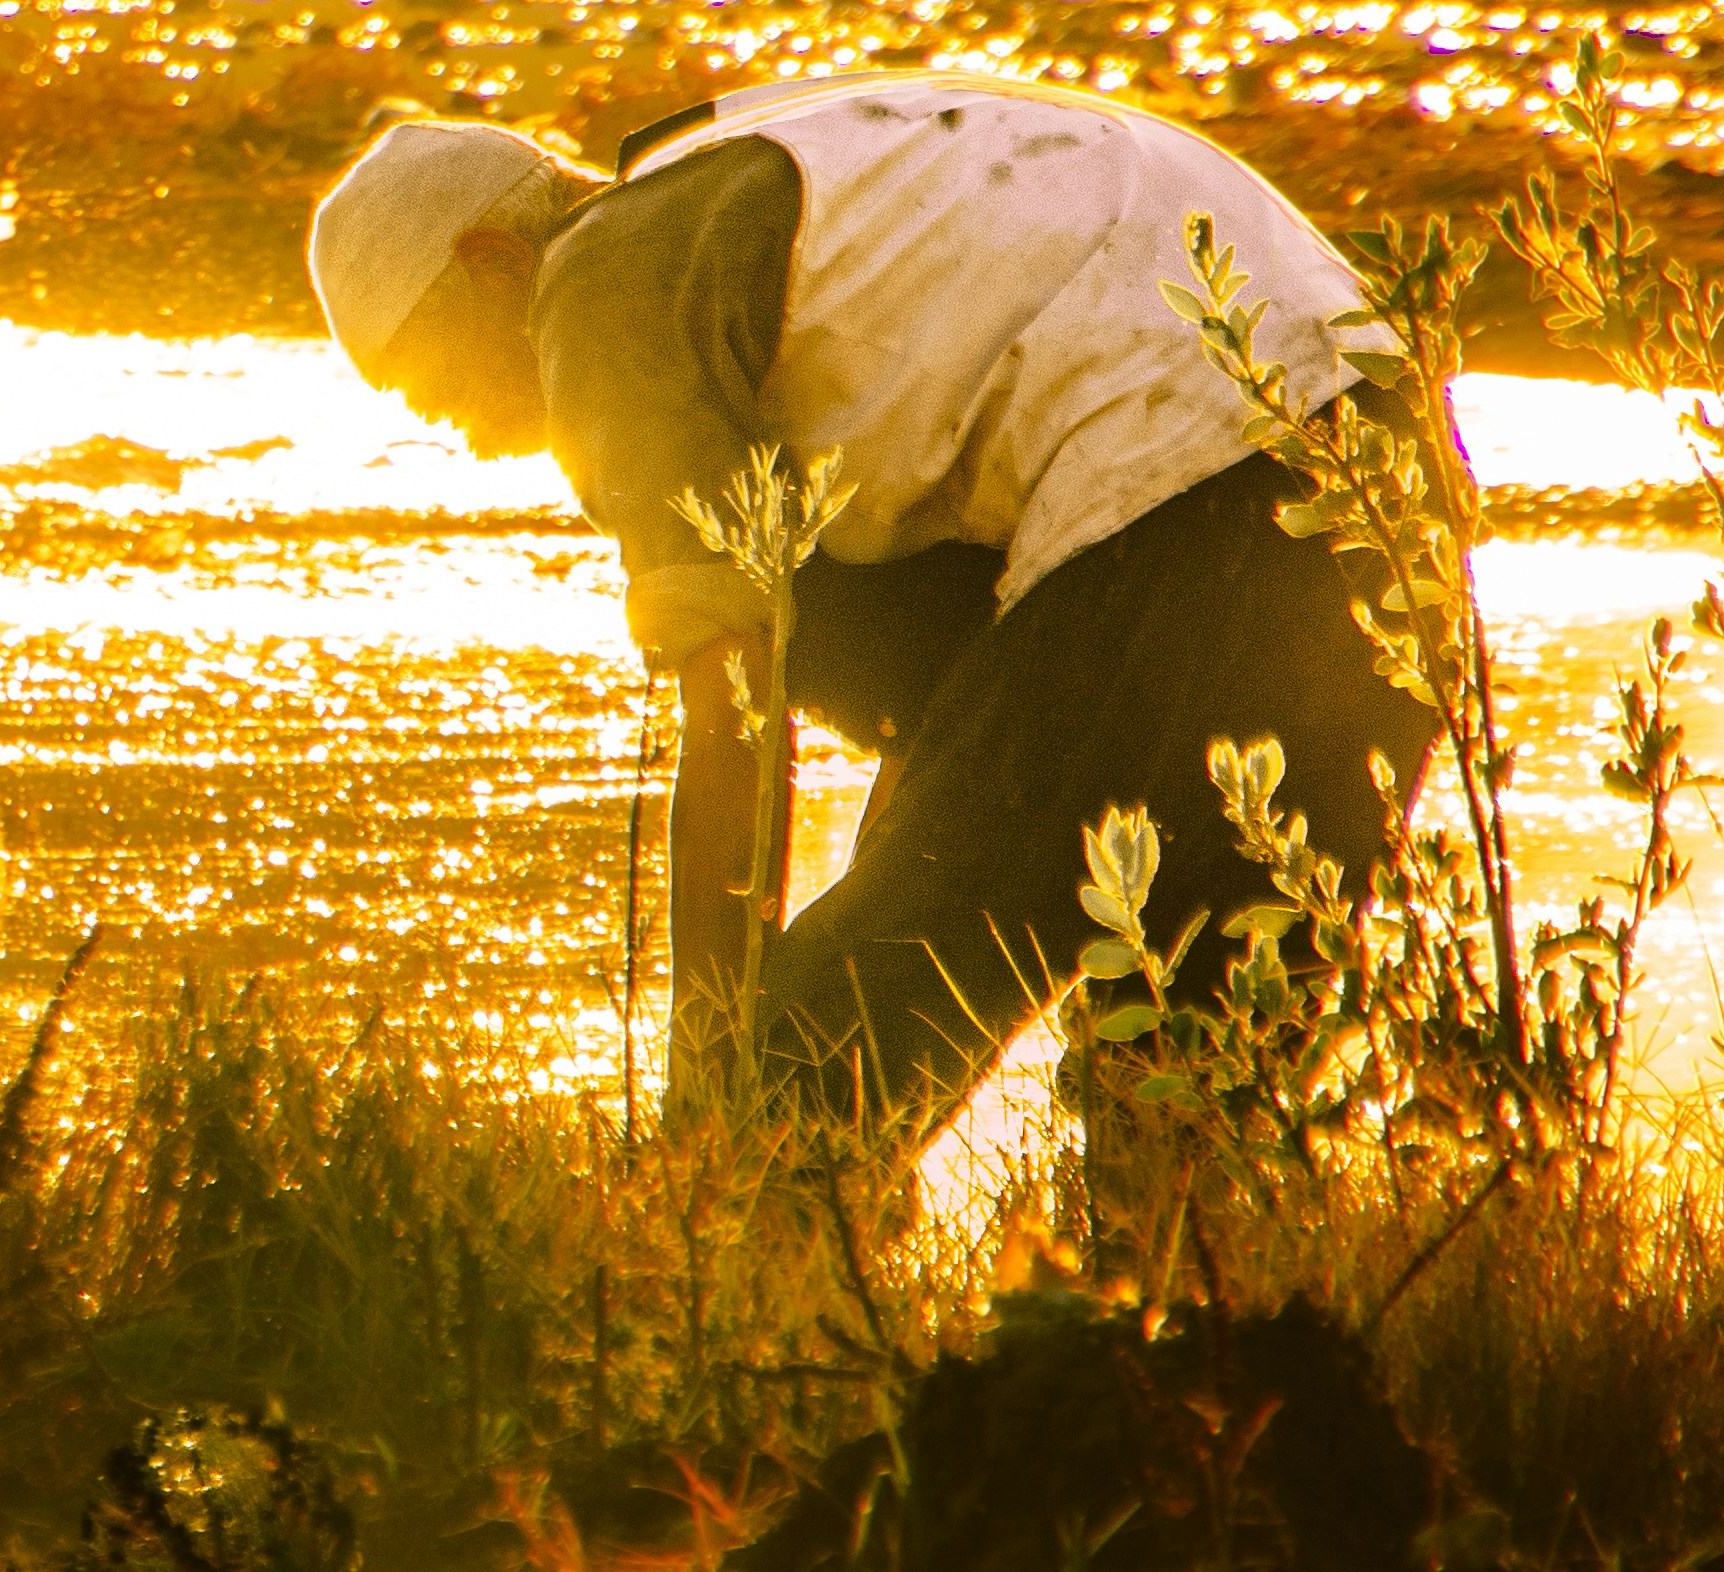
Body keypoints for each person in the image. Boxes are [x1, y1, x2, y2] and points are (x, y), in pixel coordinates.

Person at [308, 69, 1441, 1136]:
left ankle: (732, 1280)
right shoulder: (769, 198)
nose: (448, 427)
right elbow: (942, 728)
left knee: (798, 1092)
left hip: (1189, 472)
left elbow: (734, 722)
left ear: (494, 260)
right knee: (1192, 1087)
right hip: (1391, 472)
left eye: (428, 379)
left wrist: (707, 1069)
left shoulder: (601, 280)